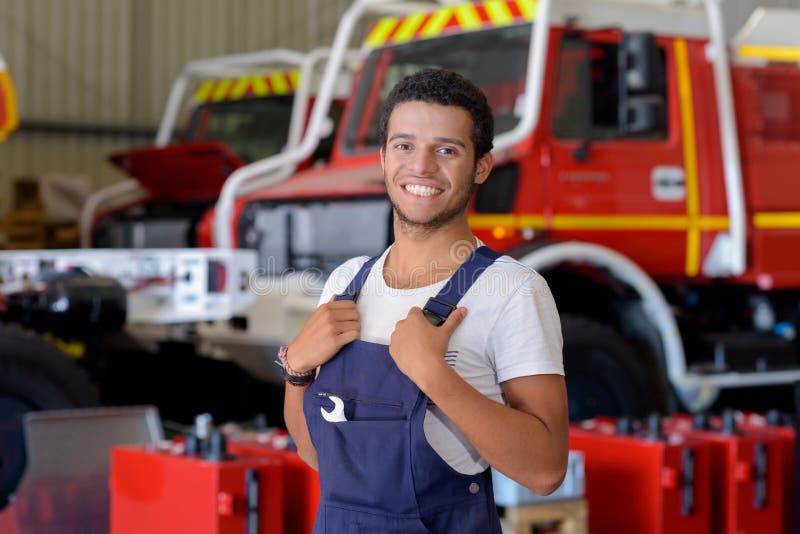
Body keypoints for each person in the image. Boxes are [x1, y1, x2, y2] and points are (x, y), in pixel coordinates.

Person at [282, 68, 568, 533]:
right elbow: (316, 454)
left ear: (480, 166)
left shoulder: (512, 290)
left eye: (446, 150)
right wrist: (295, 372)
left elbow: (545, 471)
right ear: (382, 157)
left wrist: (435, 375)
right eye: (404, 145)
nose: (421, 167)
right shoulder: (346, 281)